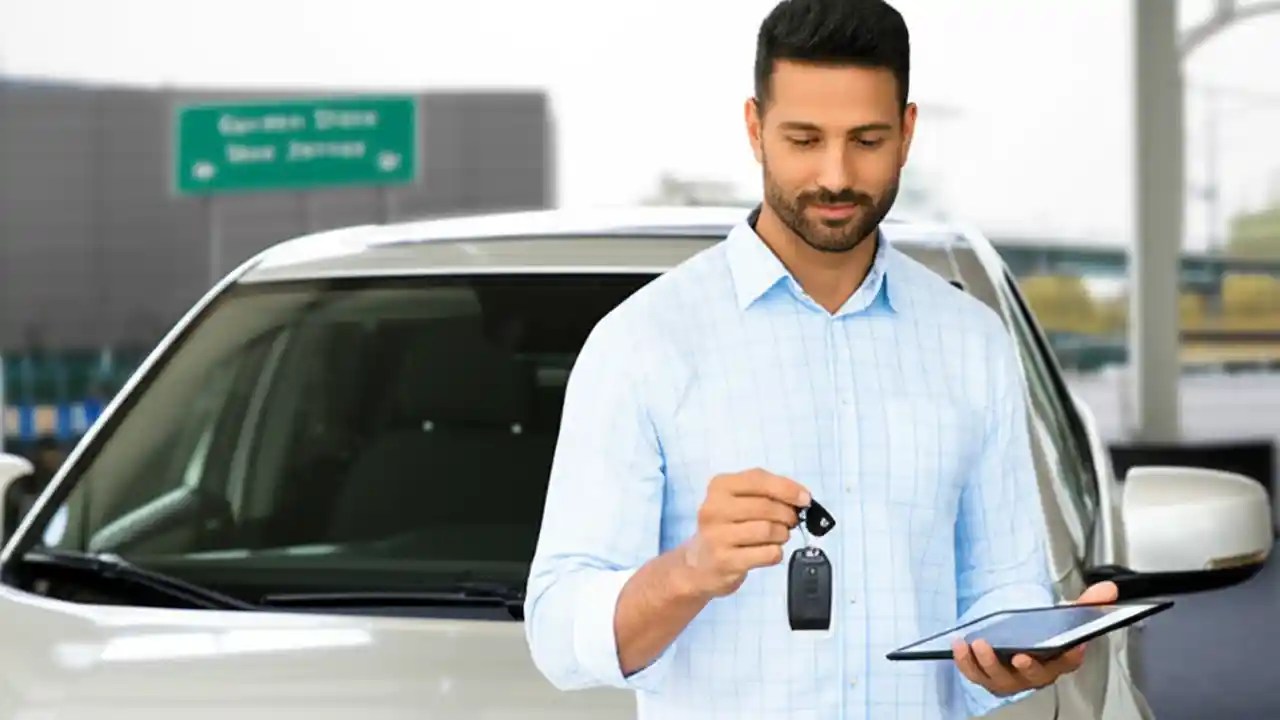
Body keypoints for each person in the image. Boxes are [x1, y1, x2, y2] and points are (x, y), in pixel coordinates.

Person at [523, 0, 1118, 717]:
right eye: (804, 139)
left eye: (865, 139)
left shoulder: (972, 342)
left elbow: (1002, 588)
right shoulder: (642, 344)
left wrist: (1014, 659)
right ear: (754, 129)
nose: (835, 175)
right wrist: (691, 569)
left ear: (906, 133)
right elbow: (558, 633)